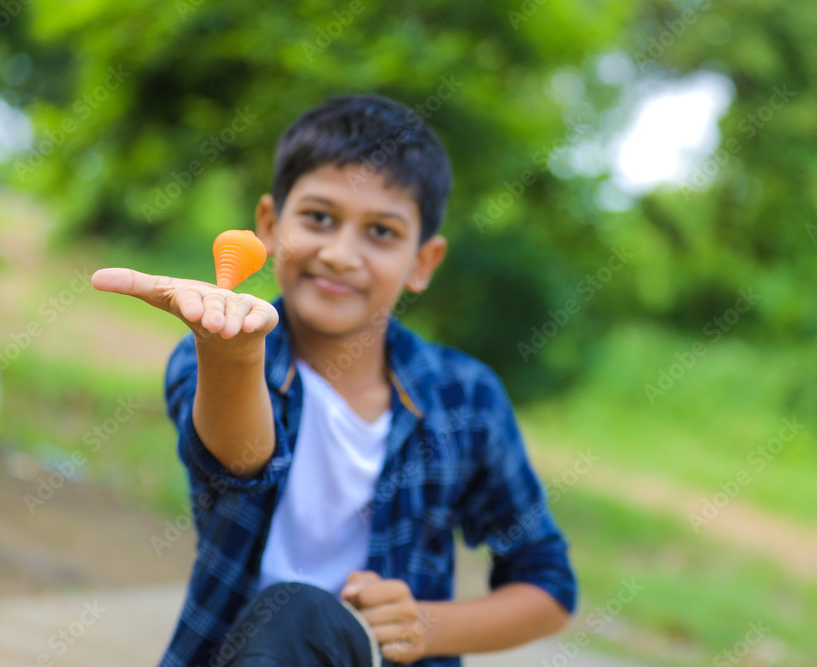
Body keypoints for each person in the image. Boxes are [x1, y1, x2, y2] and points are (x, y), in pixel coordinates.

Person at [91, 94, 577, 667]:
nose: (342, 254)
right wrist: (232, 354)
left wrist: (424, 626)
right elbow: (237, 460)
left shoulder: (466, 398)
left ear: (423, 261)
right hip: (246, 653)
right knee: (294, 612)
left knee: (304, 612)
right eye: (319, 219)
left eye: (382, 232)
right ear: (269, 226)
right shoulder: (213, 357)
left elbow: (547, 583)